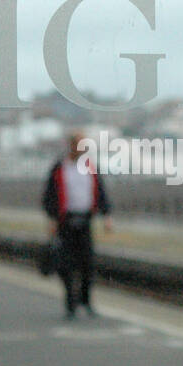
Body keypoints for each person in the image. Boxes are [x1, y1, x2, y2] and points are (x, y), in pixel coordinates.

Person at [42, 132, 112, 319]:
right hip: (65, 221)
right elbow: (49, 195)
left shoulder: (90, 167)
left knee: (87, 263)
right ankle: (70, 303)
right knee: (66, 264)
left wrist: (106, 215)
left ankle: (86, 300)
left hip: (85, 220)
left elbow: (100, 191)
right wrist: (52, 219)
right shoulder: (60, 168)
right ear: (71, 146)